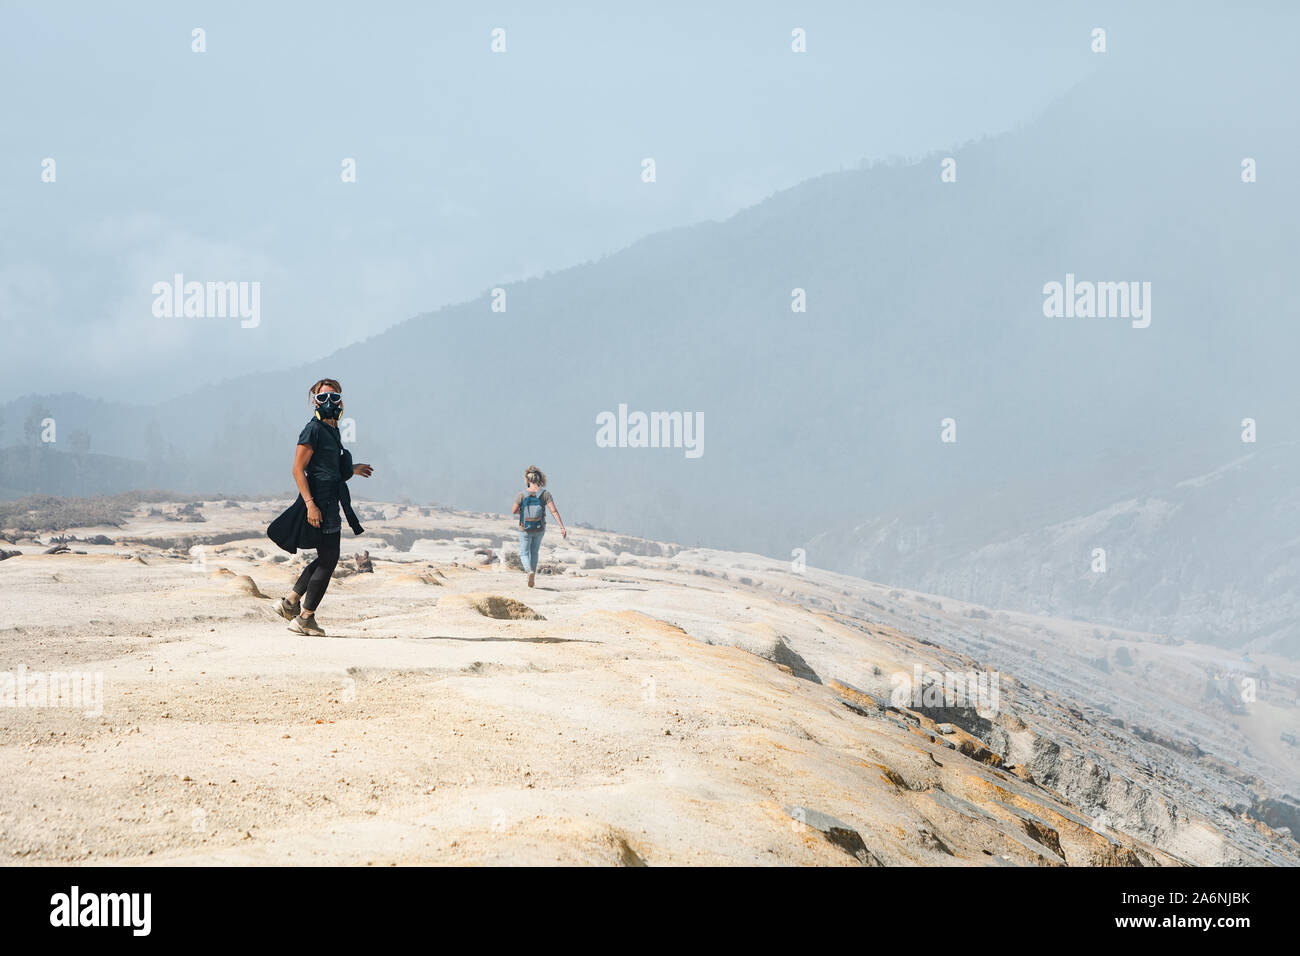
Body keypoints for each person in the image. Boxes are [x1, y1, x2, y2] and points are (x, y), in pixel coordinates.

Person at [266, 378, 373, 635]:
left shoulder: (333, 430)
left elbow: (329, 470)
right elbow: (297, 469)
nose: (329, 402)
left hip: (330, 501)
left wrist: (352, 469)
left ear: (341, 401)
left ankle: (290, 603)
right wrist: (311, 505)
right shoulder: (312, 429)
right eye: (323, 398)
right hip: (318, 503)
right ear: (314, 401)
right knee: (329, 559)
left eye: (334, 397)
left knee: (326, 557)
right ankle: (304, 619)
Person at [511, 465, 566, 588]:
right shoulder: (545, 494)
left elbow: (514, 510)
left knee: (524, 553)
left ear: (527, 480)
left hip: (524, 528)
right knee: (534, 552)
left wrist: (524, 511)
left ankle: (528, 571)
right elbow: (554, 511)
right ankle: (533, 576)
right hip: (539, 528)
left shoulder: (522, 494)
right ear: (540, 479)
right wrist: (562, 527)